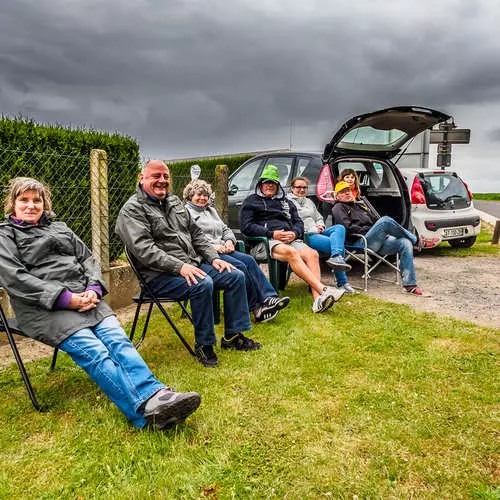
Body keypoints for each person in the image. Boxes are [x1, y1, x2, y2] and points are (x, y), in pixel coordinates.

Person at [0, 177, 201, 430]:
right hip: (43, 308)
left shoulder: (60, 228)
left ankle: (157, 396)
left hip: (85, 298)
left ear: (44, 203)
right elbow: (15, 279)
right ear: (13, 204)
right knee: (96, 353)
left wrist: (93, 288)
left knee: (118, 341)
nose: (31, 205)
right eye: (24, 200)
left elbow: (88, 259)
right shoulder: (5, 236)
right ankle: (144, 413)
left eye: (37, 200)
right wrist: (66, 298)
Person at [116, 160, 260, 369]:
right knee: (203, 284)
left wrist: (214, 258)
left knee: (234, 274)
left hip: (191, 264)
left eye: (165, 176)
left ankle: (232, 337)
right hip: (158, 276)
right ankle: (205, 345)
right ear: (141, 179)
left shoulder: (174, 202)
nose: (162, 181)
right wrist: (179, 267)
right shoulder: (132, 210)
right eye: (156, 176)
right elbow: (145, 250)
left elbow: (196, 234)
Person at [239, 164, 345, 314]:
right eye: (266, 182)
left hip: (290, 239)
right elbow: (246, 226)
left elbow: (298, 223)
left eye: (273, 183)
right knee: (291, 253)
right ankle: (324, 290)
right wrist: (271, 233)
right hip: (265, 242)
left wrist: (294, 233)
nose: (269, 185)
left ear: (277, 185)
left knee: (312, 254)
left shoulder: (286, 202)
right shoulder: (251, 201)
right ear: (260, 184)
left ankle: (318, 301)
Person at [183, 179, 289, 322]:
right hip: (207, 254)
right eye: (198, 195)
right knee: (239, 266)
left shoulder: (211, 211)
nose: (202, 198)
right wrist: (213, 246)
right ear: (190, 196)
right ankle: (256, 307)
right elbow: (190, 239)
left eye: (205, 195)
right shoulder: (185, 213)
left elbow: (225, 229)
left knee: (249, 260)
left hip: (224, 249)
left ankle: (270, 297)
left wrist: (229, 241)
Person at [331, 181, 422, 295]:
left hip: (376, 240)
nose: (347, 193)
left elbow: (375, 221)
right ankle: (416, 240)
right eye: (343, 192)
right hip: (360, 241)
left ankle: (410, 285)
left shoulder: (360, 206)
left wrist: (379, 232)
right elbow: (347, 228)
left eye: (348, 190)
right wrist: (372, 231)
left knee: (405, 242)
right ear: (337, 196)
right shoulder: (338, 207)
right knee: (385, 220)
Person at [287, 177, 358, 295]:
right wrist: (314, 228)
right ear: (292, 188)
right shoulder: (288, 202)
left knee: (339, 228)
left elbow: (319, 217)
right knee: (335, 245)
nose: (302, 190)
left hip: (317, 230)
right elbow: (294, 221)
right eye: (298, 187)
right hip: (305, 234)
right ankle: (342, 283)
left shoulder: (309, 202)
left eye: (304, 187)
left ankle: (336, 257)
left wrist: (321, 225)